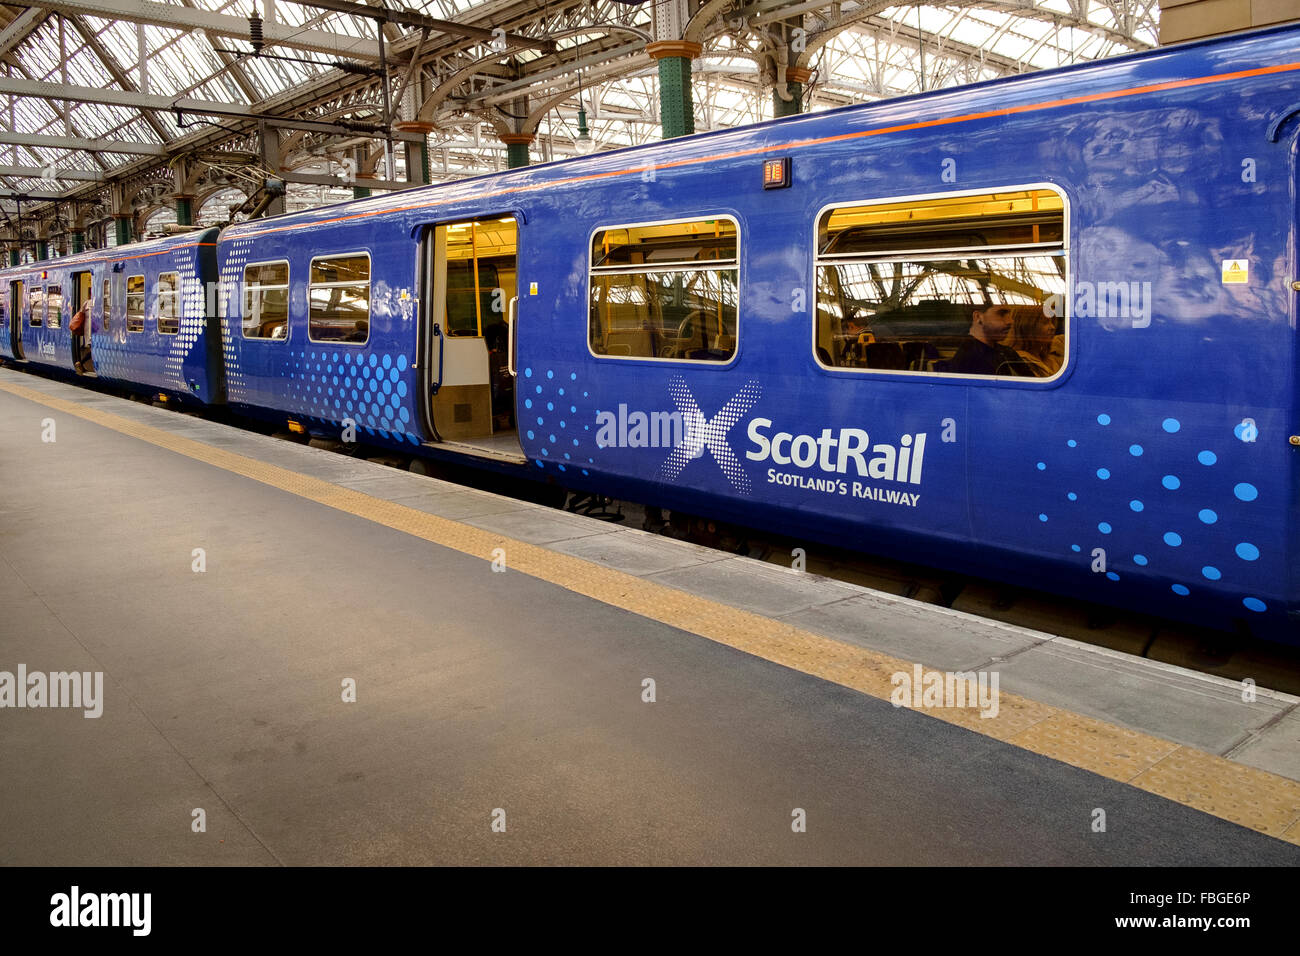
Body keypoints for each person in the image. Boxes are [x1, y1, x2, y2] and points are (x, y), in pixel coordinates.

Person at [947, 299, 1022, 376]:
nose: (1010, 321)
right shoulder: (969, 358)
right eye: (1001, 314)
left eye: (1009, 315)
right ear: (978, 317)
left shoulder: (1007, 352)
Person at [1006, 307, 1063, 377]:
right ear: (1027, 327)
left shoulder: (1045, 356)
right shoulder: (1019, 361)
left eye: (1052, 322)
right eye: (1045, 323)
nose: (1052, 327)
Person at [70, 297, 92, 373]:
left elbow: (80, 314)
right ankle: (80, 363)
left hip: (88, 329)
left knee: (92, 350)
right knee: (92, 351)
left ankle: (80, 363)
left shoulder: (86, 303)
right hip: (93, 329)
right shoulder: (97, 302)